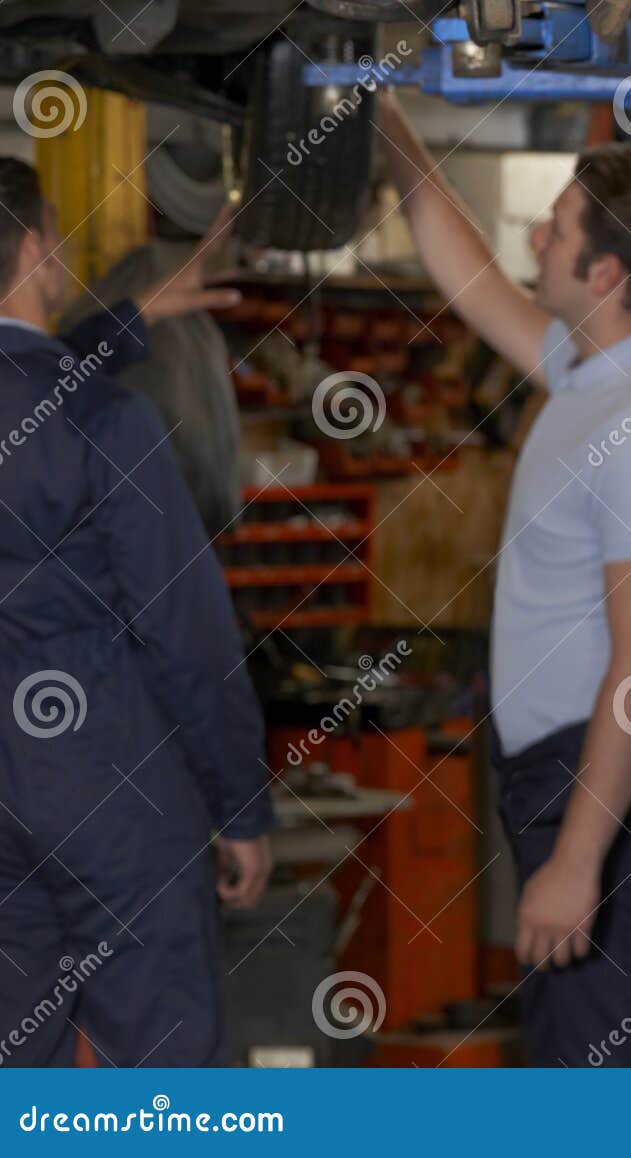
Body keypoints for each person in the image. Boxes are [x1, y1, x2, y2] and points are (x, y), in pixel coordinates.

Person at [375, 91, 631, 1066]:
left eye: (556, 225)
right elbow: (468, 275)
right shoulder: (593, 366)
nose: (534, 234)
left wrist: (576, 862)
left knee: (618, 1064)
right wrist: (384, 119)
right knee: (581, 1053)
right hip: (568, 770)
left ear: (603, 272)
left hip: (608, 783)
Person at [0, 159, 274, 1066]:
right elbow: (184, 632)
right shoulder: (108, 423)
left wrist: (125, 323)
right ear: (38, 247)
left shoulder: (78, 408)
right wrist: (241, 805)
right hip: (110, 788)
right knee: (152, 1069)